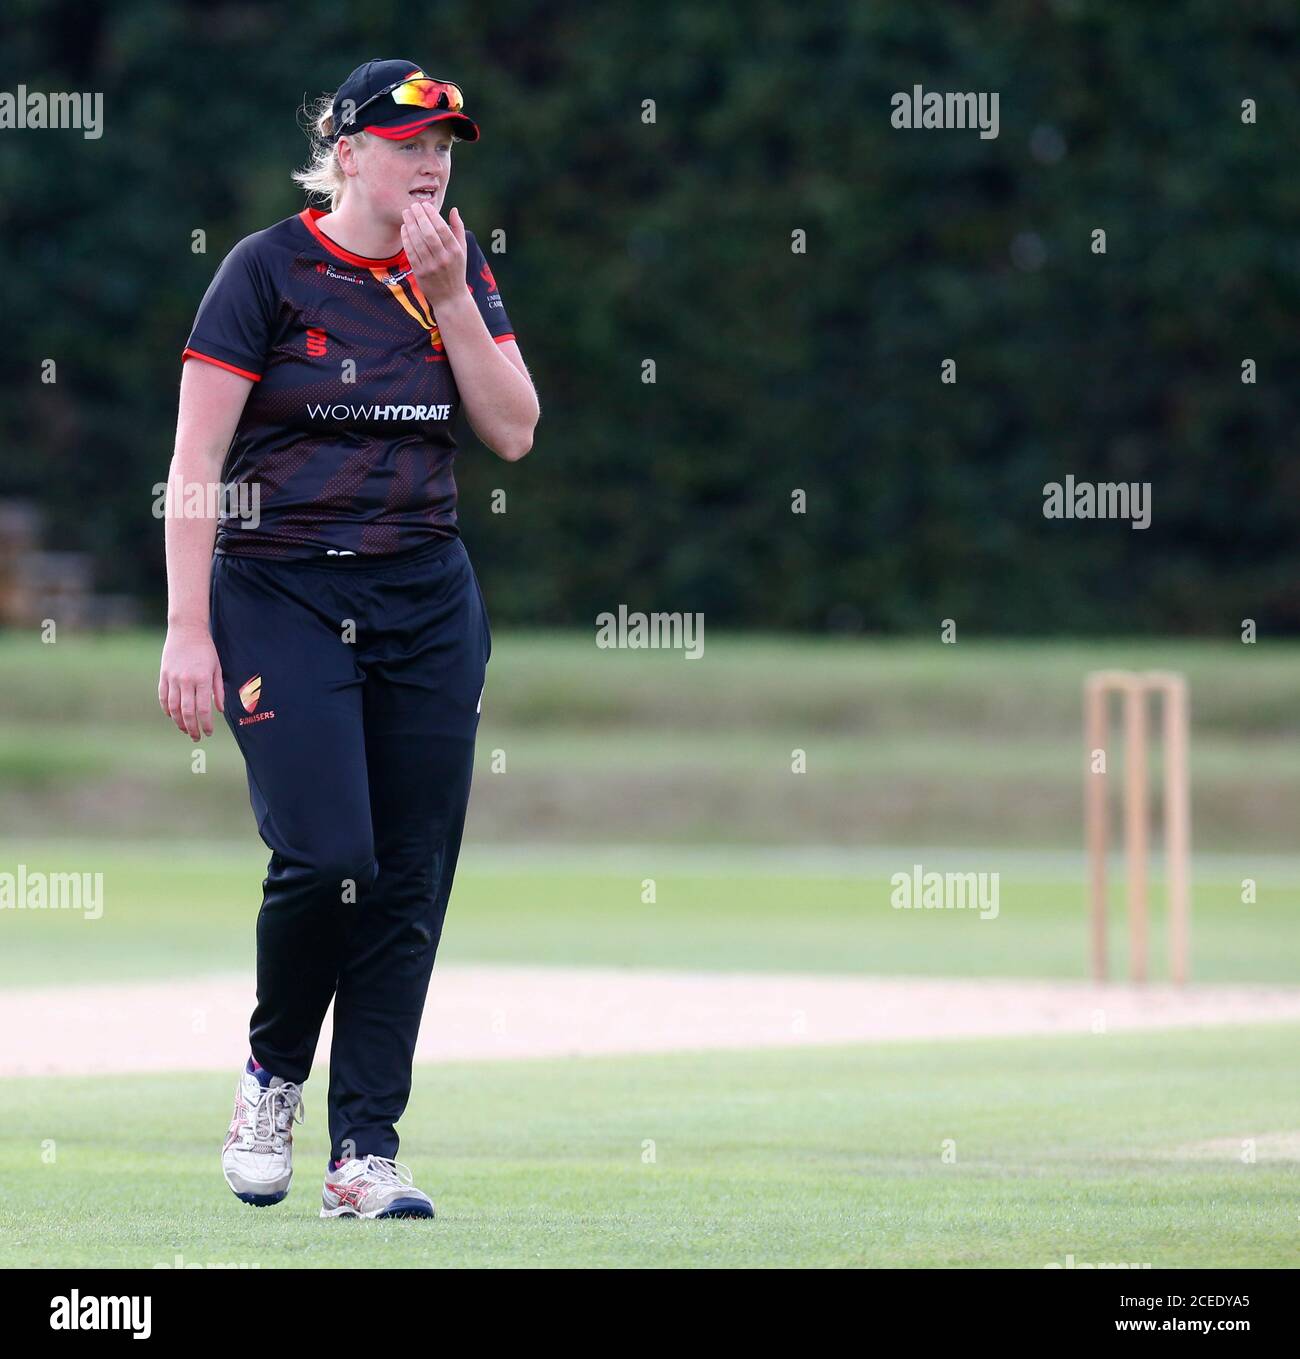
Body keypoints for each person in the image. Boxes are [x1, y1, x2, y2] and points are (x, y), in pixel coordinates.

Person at [158, 59, 538, 1220]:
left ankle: (364, 1150)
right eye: (407, 141)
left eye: (445, 145)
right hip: (280, 592)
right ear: (348, 150)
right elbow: (194, 468)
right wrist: (185, 628)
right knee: (330, 858)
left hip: (426, 598)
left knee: (409, 876)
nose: (430, 163)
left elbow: (514, 432)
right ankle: (272, 1077)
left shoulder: (456, 267)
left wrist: (456, 298)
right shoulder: (266, 269)